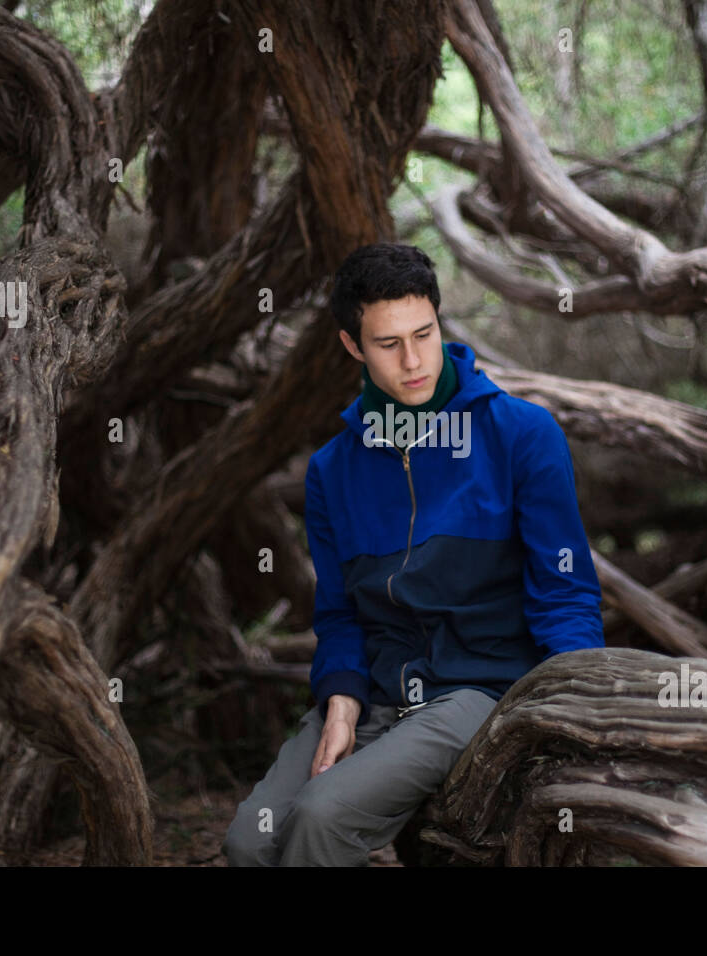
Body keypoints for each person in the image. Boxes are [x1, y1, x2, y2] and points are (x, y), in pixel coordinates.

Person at [222, 242, 604, 866]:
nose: (413, 360)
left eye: (423, 333)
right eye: (387, 343)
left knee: (322, 817)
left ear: (438, 319)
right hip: (376, 692)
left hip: (480, 690)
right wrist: (341, 702)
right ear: (352, 346)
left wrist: (576, 712)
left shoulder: (523, 437)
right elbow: (340, 616)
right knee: (249, 839)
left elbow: (566, 592)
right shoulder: (332, 471)